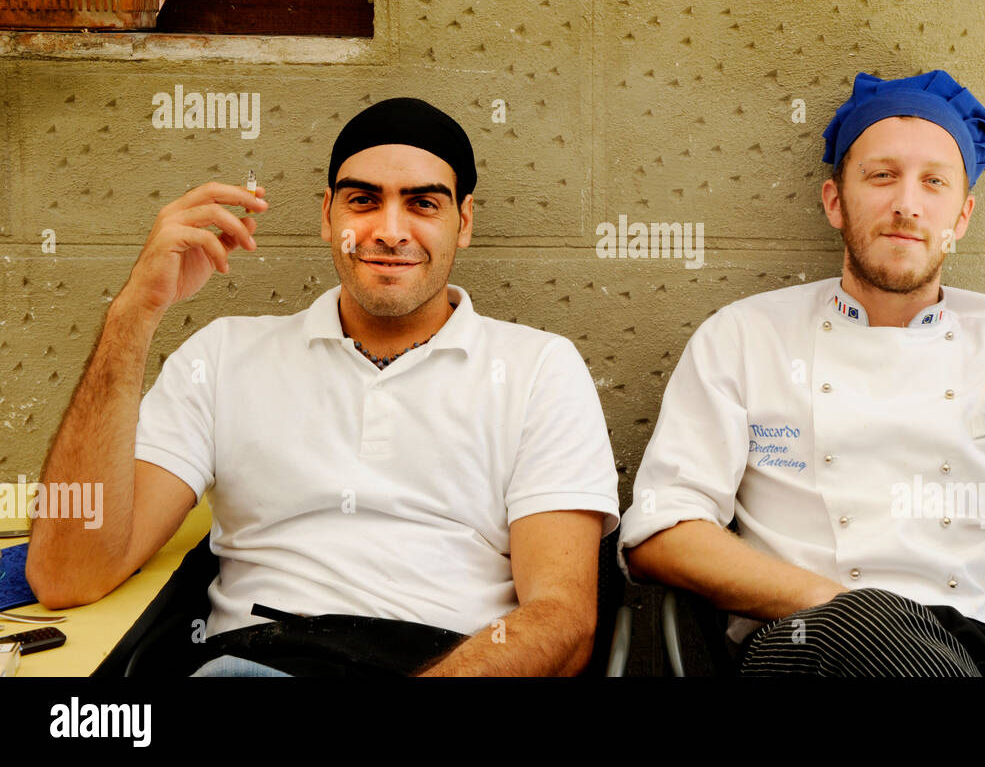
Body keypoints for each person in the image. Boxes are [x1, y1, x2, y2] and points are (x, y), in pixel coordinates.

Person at [619, 70, 985, 677]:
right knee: (860, 628)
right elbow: (662, 530)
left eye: (934, 182)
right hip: (806, 642)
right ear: (835, 202)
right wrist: (844, 607)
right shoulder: (743, 337)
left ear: (963, 216)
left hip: (982, 657)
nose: (907, 204)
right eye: (882, 175)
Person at [26, 98, 620, 677]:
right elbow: (67, 574)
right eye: (363, 200)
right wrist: (136, 310)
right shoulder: (225, 354)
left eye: (422, 204)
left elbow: (562, 620)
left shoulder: (538, 367)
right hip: (256, 662)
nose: (390, 231)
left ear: (463, 222)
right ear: (327, 216)